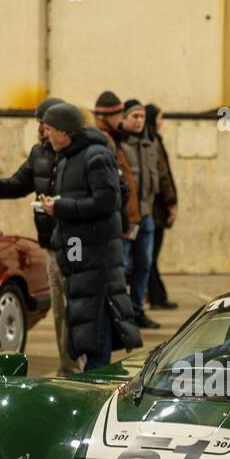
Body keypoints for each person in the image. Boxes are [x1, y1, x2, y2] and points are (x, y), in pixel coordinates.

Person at [0, 96, 80, 375]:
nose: (41, 129)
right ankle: (69, 368)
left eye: (45, 124)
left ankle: (84, 368)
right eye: (39, 123)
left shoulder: (78, 155)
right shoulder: (39, 153)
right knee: (60, 311)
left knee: (78, 309)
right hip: (51, 244)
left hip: (76, 242)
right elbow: (18, 183)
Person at [40, 102, 141, 371]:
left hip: (98, 258)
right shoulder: (66, 158)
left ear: (64, 131)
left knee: (97, 328)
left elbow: (108, 200)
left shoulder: (96, 156)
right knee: (84, 327)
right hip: (78, 255)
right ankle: (90, 376)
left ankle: (97, 384)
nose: (46, 135)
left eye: (49, 129)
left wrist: (60, 207)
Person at [118, 99, 168, 329]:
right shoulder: (119, 144)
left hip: (146, 214)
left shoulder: (151, 143)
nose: (139, 121)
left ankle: (138, 309)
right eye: (134, 117)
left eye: (141, 117)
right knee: (122, 266)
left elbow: (160, 175)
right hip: (128, 216)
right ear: (124, 119)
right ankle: (122, 313)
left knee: (144, 264)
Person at [142, 104, 179, 311]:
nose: (162, 122)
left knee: (149, 257)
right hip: (155, 210)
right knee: (150, 257)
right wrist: (172, 203)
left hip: (152, 209)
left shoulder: (149, 141)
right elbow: (164, 177)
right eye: (160, 118)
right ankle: (157, 296)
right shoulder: (152, 142)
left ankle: (154, 295)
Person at [92, 90, 138, 242]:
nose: (121, 120)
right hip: (117, 220)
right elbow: (113, 185)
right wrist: (125, 222)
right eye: (119, 115)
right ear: (107, 117)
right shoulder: (105, 141)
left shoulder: (112, 138)